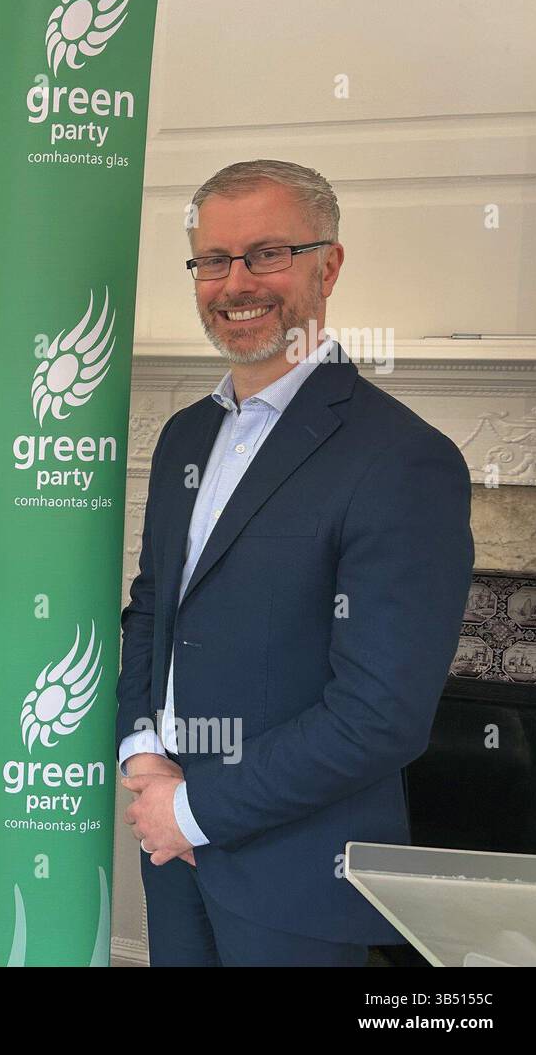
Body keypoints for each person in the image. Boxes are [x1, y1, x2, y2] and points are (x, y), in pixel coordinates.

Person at [116, 160, 474, 966]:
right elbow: (151, 610)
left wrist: (196, 808)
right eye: (213, 259)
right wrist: (142, 751)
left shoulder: (403, 460)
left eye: (266, 253)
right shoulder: (183, 437)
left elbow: (379, 714)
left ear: (328, 264)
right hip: (174, 862)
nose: (235, 282)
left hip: (299, 888)